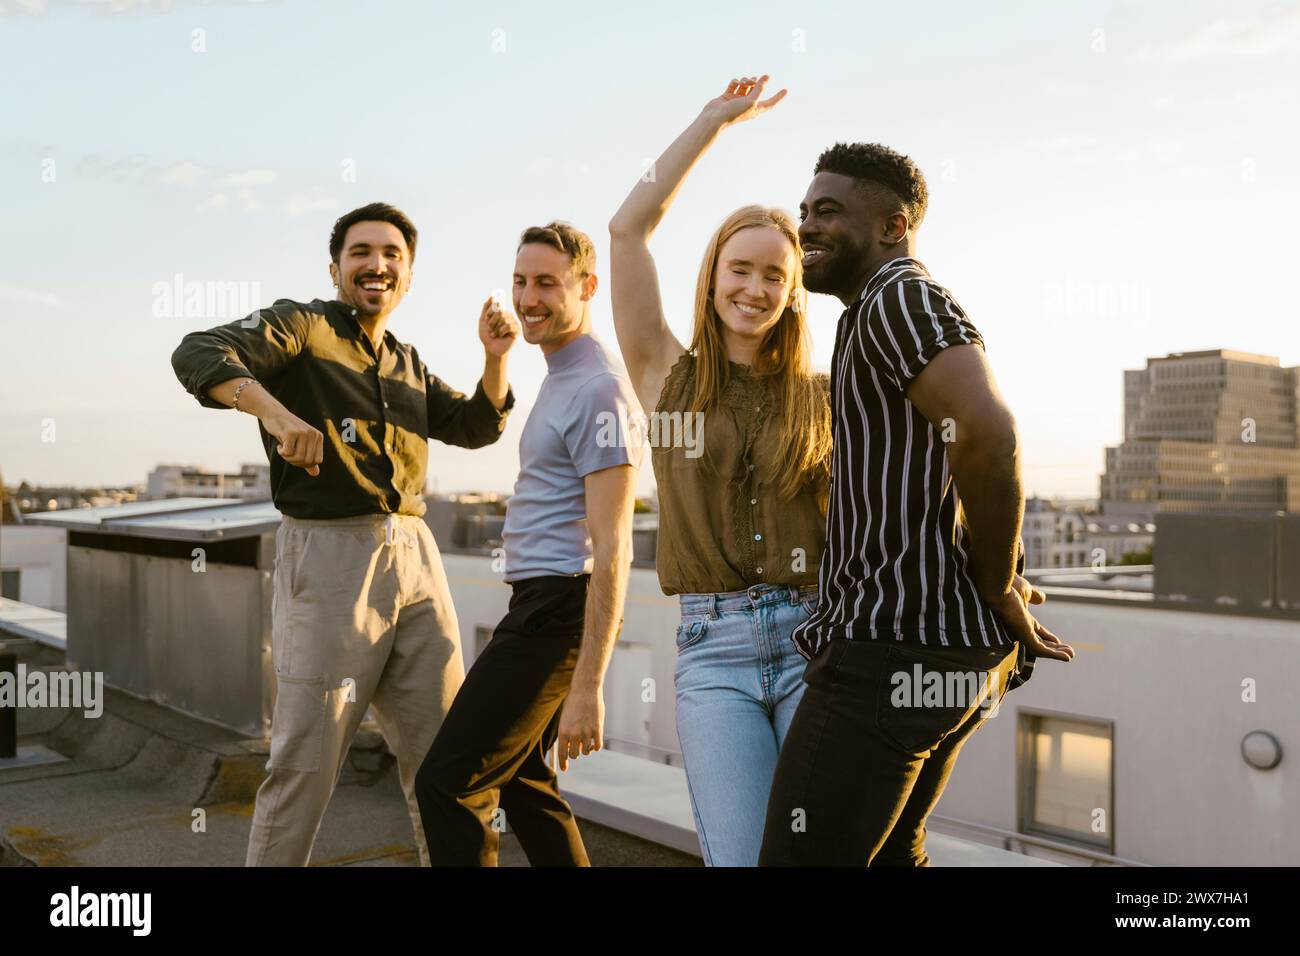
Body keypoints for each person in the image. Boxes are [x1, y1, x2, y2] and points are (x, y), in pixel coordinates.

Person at [171, 202, 518, 866]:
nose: (377, 263)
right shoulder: (303, 326)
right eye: (361, 252)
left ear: (408, 278)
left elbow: (476, 425)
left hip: (416, 558)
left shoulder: (406, 362)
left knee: (448, 759)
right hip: (330, 559)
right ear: (336, 268)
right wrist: (275, 415)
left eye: (392, 254)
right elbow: (197, 352)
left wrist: (494, 358)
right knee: (305, 765)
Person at [759, 143, 1075, 866]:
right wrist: (986, 568)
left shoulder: (897, 297)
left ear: (893, 226)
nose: (806, 225)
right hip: (936, 654)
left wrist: (995, 582)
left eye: (828, 211)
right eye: (804, 211)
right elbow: (944, 468)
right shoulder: (873, 312)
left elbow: (989, 438)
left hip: (890, 653)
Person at [608, 76, 832, 866]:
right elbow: (628, 231)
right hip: (715, 650)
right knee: (741, 858)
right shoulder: (666, 373)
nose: (756, 287)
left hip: (818, 639)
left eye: (776, 275)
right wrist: (711, 122)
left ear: (794, 291)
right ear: (711, 276)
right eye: (741, 268)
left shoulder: (823, 399)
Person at [414, 222, 642, 866]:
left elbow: (615, 545)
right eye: (520, 281)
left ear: (587, 286)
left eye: (547, 282)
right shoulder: (560, 374)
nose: (528, 297)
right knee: (524, 781)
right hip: (538, 604)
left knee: (449, 784)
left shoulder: (599, 387)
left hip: (557, 611)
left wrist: (589, 684)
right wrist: (499, 357)